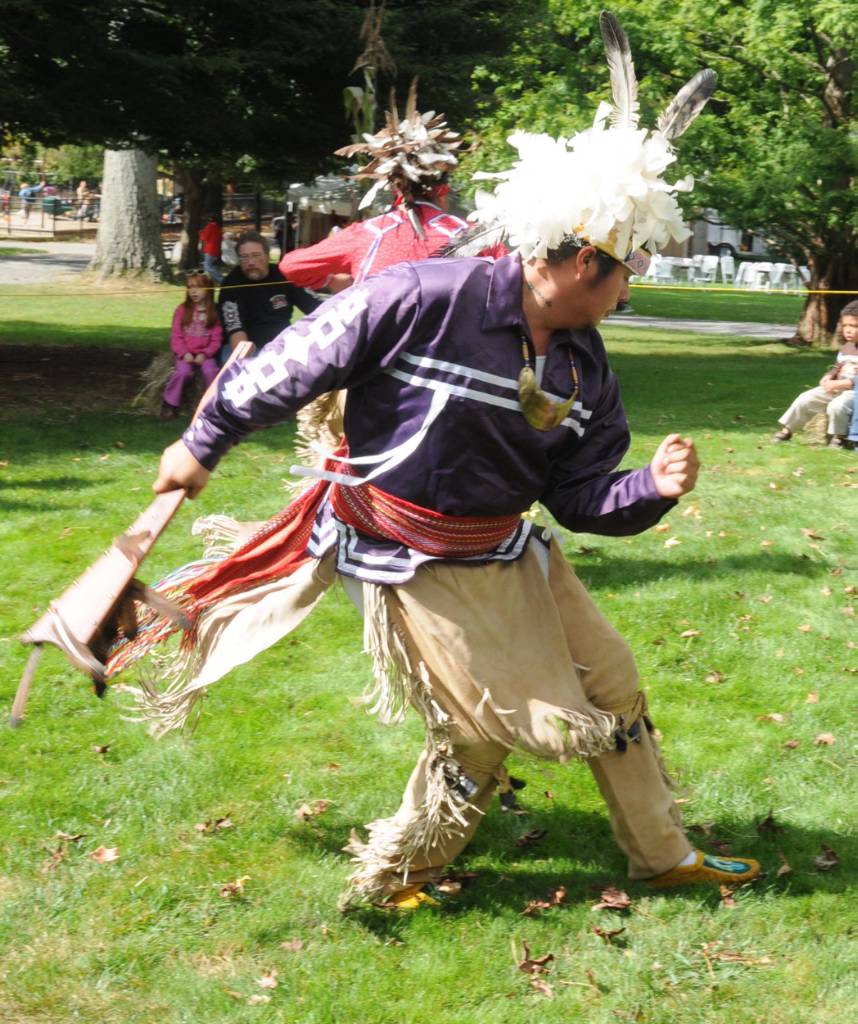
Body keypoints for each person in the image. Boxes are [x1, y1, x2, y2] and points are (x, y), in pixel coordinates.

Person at [108, 13, 760, 909]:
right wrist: (201, 441)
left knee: (611, 681)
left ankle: (662, 854)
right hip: (405, 553)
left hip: (506, 547)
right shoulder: (424, 296)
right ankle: (398, 876)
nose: (628, 292)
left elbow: (578, 496)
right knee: (480, 733)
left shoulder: (584, 367)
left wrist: (651, 487)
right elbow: (288, 364)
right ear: (582, 262)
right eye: (625, 273)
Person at [278, 81, 469, 296]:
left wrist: (329, 279)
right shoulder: (471, 234)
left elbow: (292, 266)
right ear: (442, 190)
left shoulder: (367, 234)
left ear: (394, 188)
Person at [217, 230, 320, 361]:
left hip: (282, 345)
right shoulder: (231, 284)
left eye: (256, 255)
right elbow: (234, 328)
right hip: (248, 347)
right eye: (244, 257)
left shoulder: (284, 275)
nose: (250, 262)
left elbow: (316, 308)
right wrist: (245, 362)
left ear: (267, 256)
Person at [773, 300, 858, 448]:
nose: (848, 330)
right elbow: (838, 365)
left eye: (854, 326)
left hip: (853, 392)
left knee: (837, 406)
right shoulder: (847, 347)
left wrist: (842, 383)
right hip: (836, 387)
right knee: (806, 398)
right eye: (845, 326)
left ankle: (839, 437)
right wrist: (829, 375)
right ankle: (788, 430)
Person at [160, 273, 223, 419]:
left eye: (199, 287)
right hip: (186, 354)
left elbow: (216, 339)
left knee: (211, 371)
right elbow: (176, 336)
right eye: (190, 287)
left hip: (205, 355)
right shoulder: (182, 310)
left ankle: (214, 405)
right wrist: (184, 353)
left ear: (208, 289)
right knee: (183, 373)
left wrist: (205, 354)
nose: (193, 291)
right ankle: (170, 403)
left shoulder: (213, 313)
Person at [199, 213, 224, 285]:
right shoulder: (218, 227)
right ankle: (207, 282)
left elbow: (204, 238)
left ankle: (222, 280)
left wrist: (201, 232)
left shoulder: (210, 226)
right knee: (207, 266)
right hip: (216, 250)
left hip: (210, 249)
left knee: (208, 266)